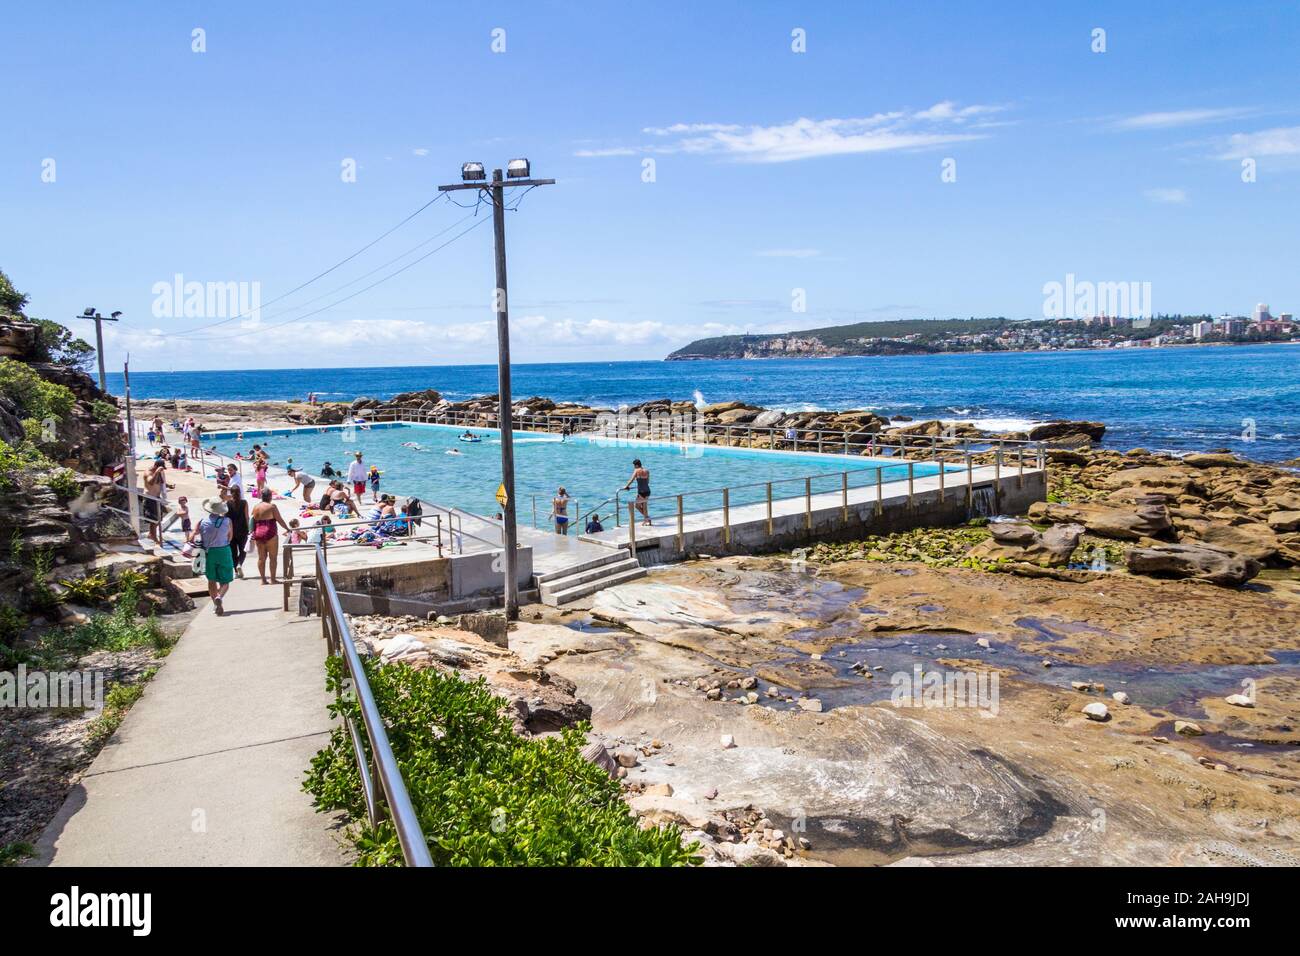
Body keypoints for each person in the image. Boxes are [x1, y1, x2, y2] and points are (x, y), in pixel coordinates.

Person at [188, 498, 234, 616]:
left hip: (208, 552)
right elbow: (230, 538)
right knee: (226, 580)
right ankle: (219, 596)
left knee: (211, 579)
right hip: (223, 550)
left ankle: (215, 604)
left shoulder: (201, 521)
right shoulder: (227, 521)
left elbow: (191, 537)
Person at [250, 487, 290, 585]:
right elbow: (279, 520)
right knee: (273, 558)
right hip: (270, 533)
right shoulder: (272, 506)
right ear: (270, 496)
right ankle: (273, 579)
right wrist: (288, 529)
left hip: (258, 533)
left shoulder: (256, 507)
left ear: (262, 496)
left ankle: (263, 580)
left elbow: (252, 520)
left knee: (261, 558)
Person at [226, 484, 250, 579]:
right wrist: (249, 530)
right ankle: (239, 563)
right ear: (240, 492)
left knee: (233, 552)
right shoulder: (244, 502)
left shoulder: (228, 503)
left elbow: (226, 519)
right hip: (243, 530)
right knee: (243, 550)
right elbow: (247, 517)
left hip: (231, 530)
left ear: (231, 493)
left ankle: (236, 571)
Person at [623, 458, 652, 526]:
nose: (634, 467)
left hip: (641, 491)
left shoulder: (636, 470)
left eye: (634, 465)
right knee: (644, 506)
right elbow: (647, 482)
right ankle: (646, 519)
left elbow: (631, 480)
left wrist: (626, 486)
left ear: (636, 465)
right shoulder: (647, 471)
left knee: (637, 506)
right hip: (647, 491)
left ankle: (647, 518)